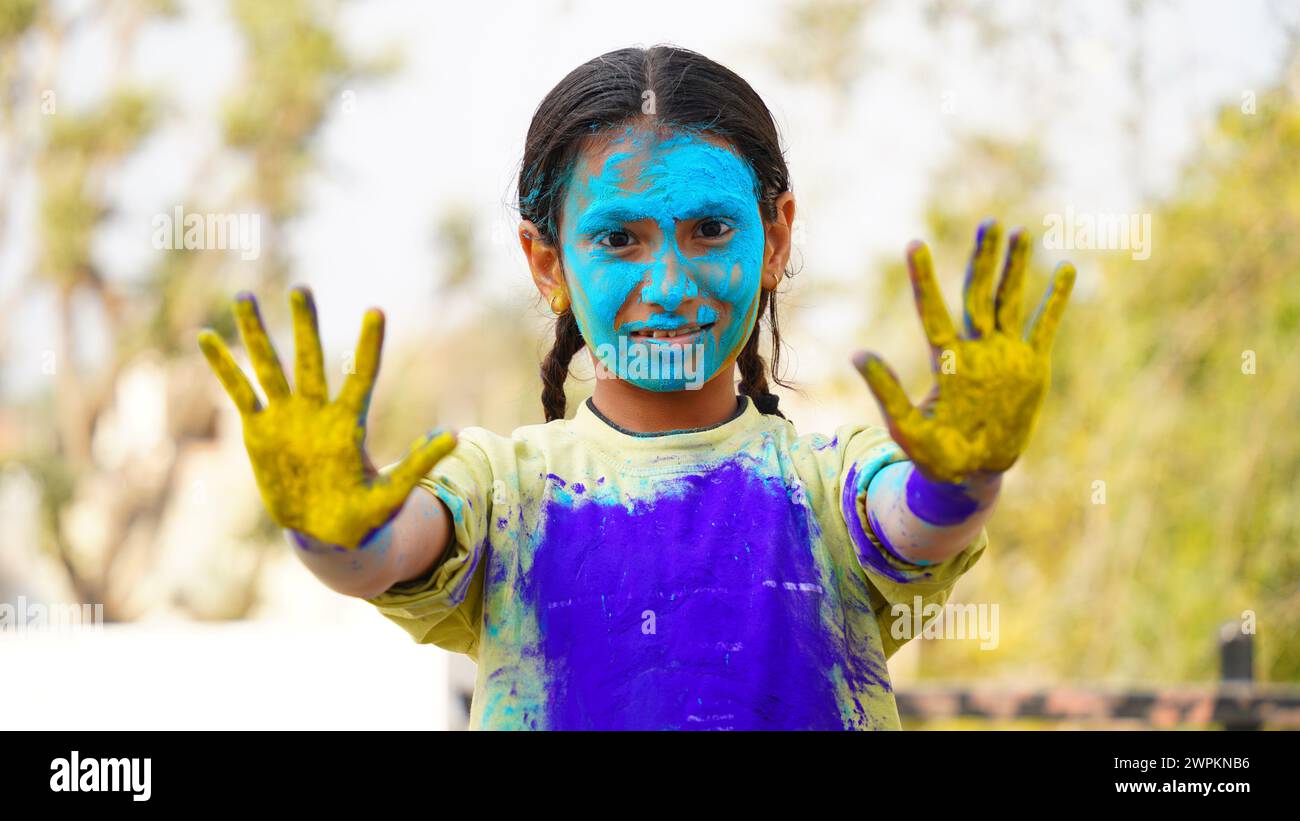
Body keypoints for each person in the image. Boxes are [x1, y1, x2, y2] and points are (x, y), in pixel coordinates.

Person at [197, 45, 1074, 730]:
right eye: (619, 239)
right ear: (547, 261)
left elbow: (916, 520)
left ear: (774, 237)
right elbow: (382, 553)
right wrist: (327, 525)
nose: (669, 281)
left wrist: (968, 474)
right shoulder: (504, 490)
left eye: (709, 228)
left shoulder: (827, 482)